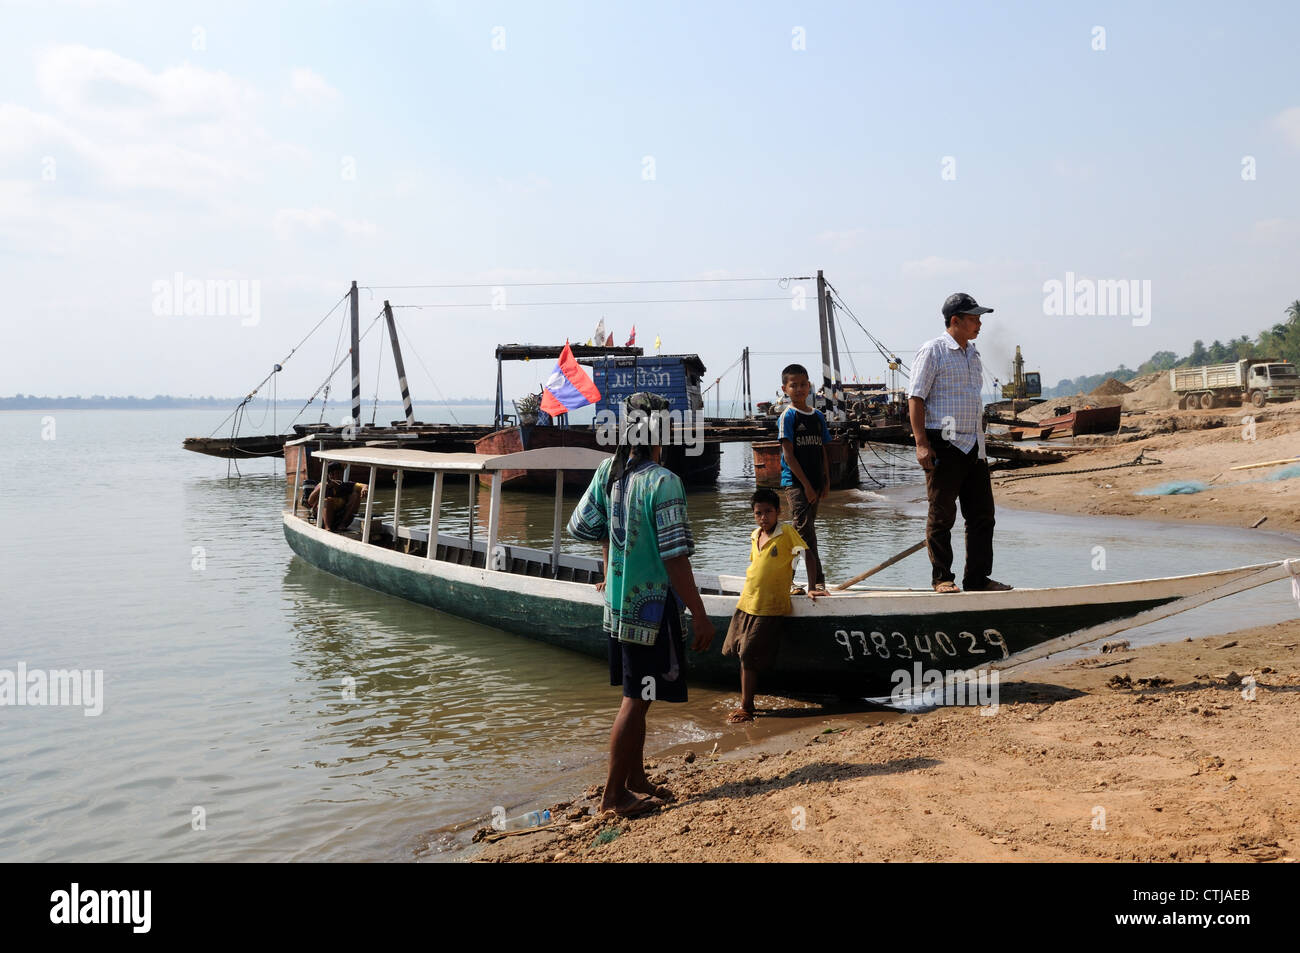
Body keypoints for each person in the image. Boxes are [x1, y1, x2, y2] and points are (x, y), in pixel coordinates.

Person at [567, 392, 717, 818]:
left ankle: (634, 779)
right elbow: (674, 556)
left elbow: (582, 525)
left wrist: (612, 560)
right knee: (636, 699)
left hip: (617, 606)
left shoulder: (608, 471)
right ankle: (613, 796)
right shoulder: (663, 482)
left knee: (642, 693)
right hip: (650, 612)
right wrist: (700, 614)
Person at [908, 292, 1012, 593]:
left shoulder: (972, 354)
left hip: (973, 446)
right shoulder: (933, 351)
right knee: (941, 516)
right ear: (956, 321)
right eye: (974, 318)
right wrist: (921, 443)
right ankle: (942, 578)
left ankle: (977, 579)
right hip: (944, 444)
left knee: (982, 516)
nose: (979, 323)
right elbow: (915, 397)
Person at [721, 488, 807, 723]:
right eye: (758, 513)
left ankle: (746, 707)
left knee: (748, 653)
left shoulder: (787, 532)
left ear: (779, 511)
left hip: (770, 605)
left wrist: (815, 584)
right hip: (748, 601)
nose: (763, 517)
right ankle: (746, 702)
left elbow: (807, 555)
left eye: (768, 512)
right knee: (740, 651)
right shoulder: (754, 534)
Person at [776, 363, 831, 597]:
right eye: (793, 385)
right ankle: (810, 583)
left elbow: (823, 452)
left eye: (802, 384)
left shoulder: (818, 417)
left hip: (815, 484)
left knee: (805, 532)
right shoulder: (787, 416)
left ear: (809, 386)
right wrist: (806, 486)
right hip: (796, 484)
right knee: (804, 533)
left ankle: (806, 581)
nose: (798, 389)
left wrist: (826, 481)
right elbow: (788, 456)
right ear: (784, 389)